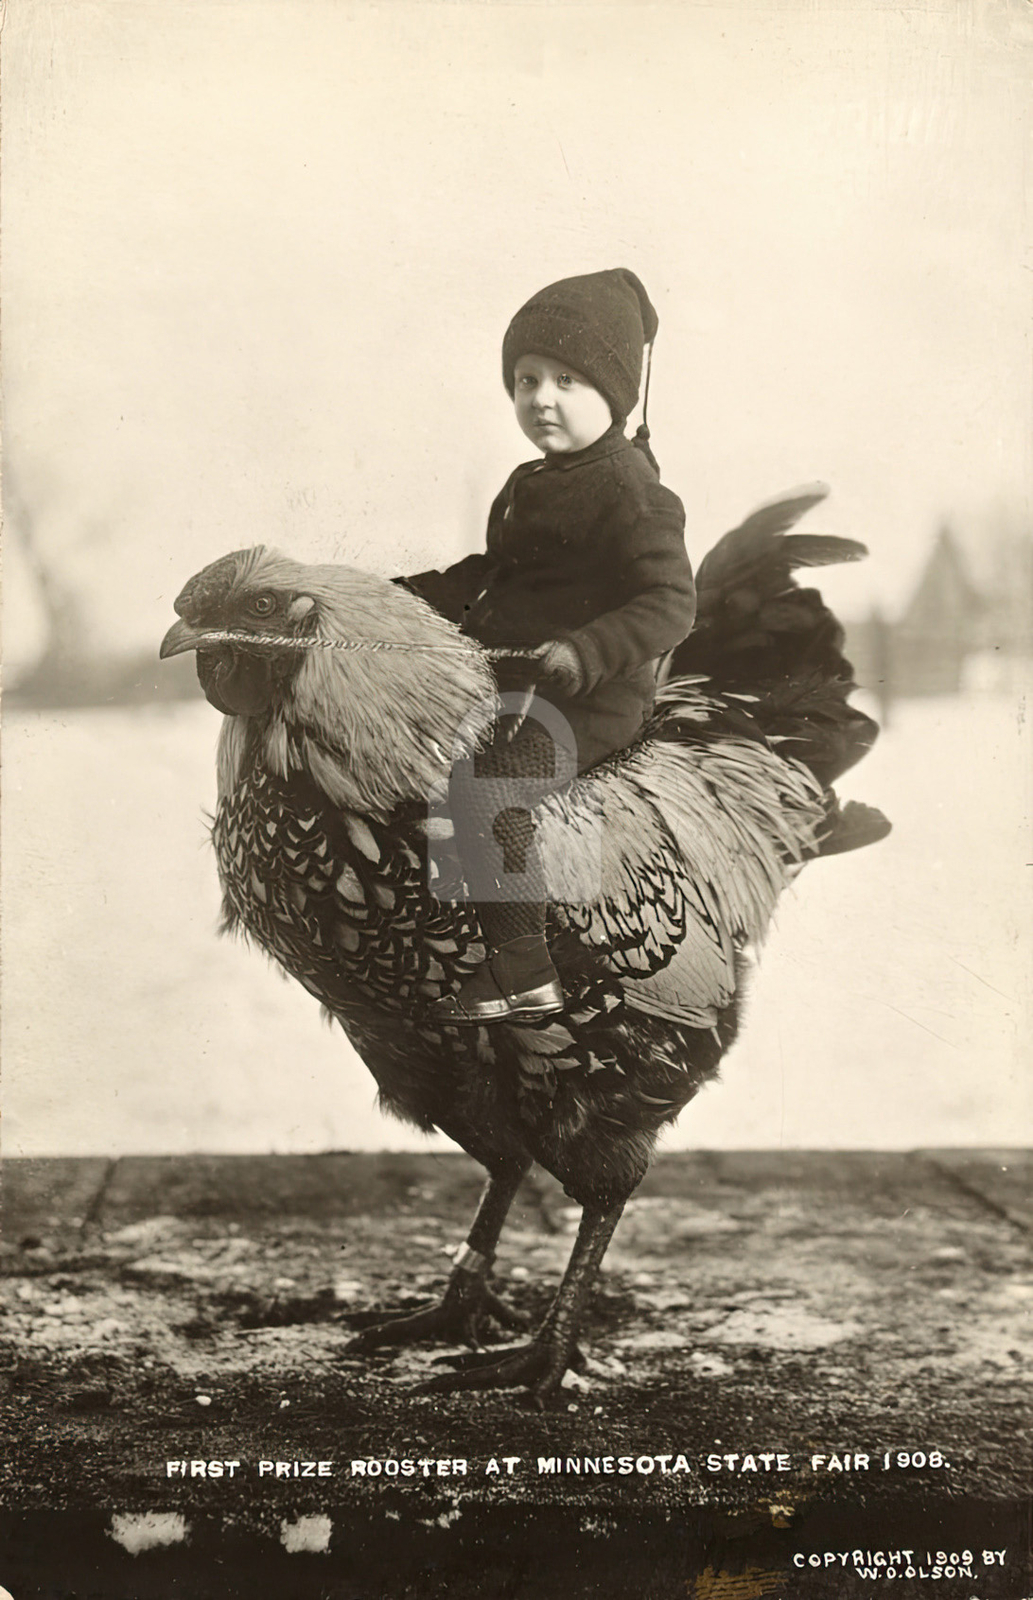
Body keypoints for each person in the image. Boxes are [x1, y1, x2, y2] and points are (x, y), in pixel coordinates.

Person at [403, 269, 696, 1024]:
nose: (540, 398)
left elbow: (668, 601)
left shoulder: (632, 490)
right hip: (527, 688)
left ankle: (524, 967)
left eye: (567, 379)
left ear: (614, 393)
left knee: (489, 784)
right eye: (526, 379)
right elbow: (498, 576)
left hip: (594, 697)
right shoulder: (529, 481)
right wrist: (411, 597)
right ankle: (465, 930)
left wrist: (583, 652)